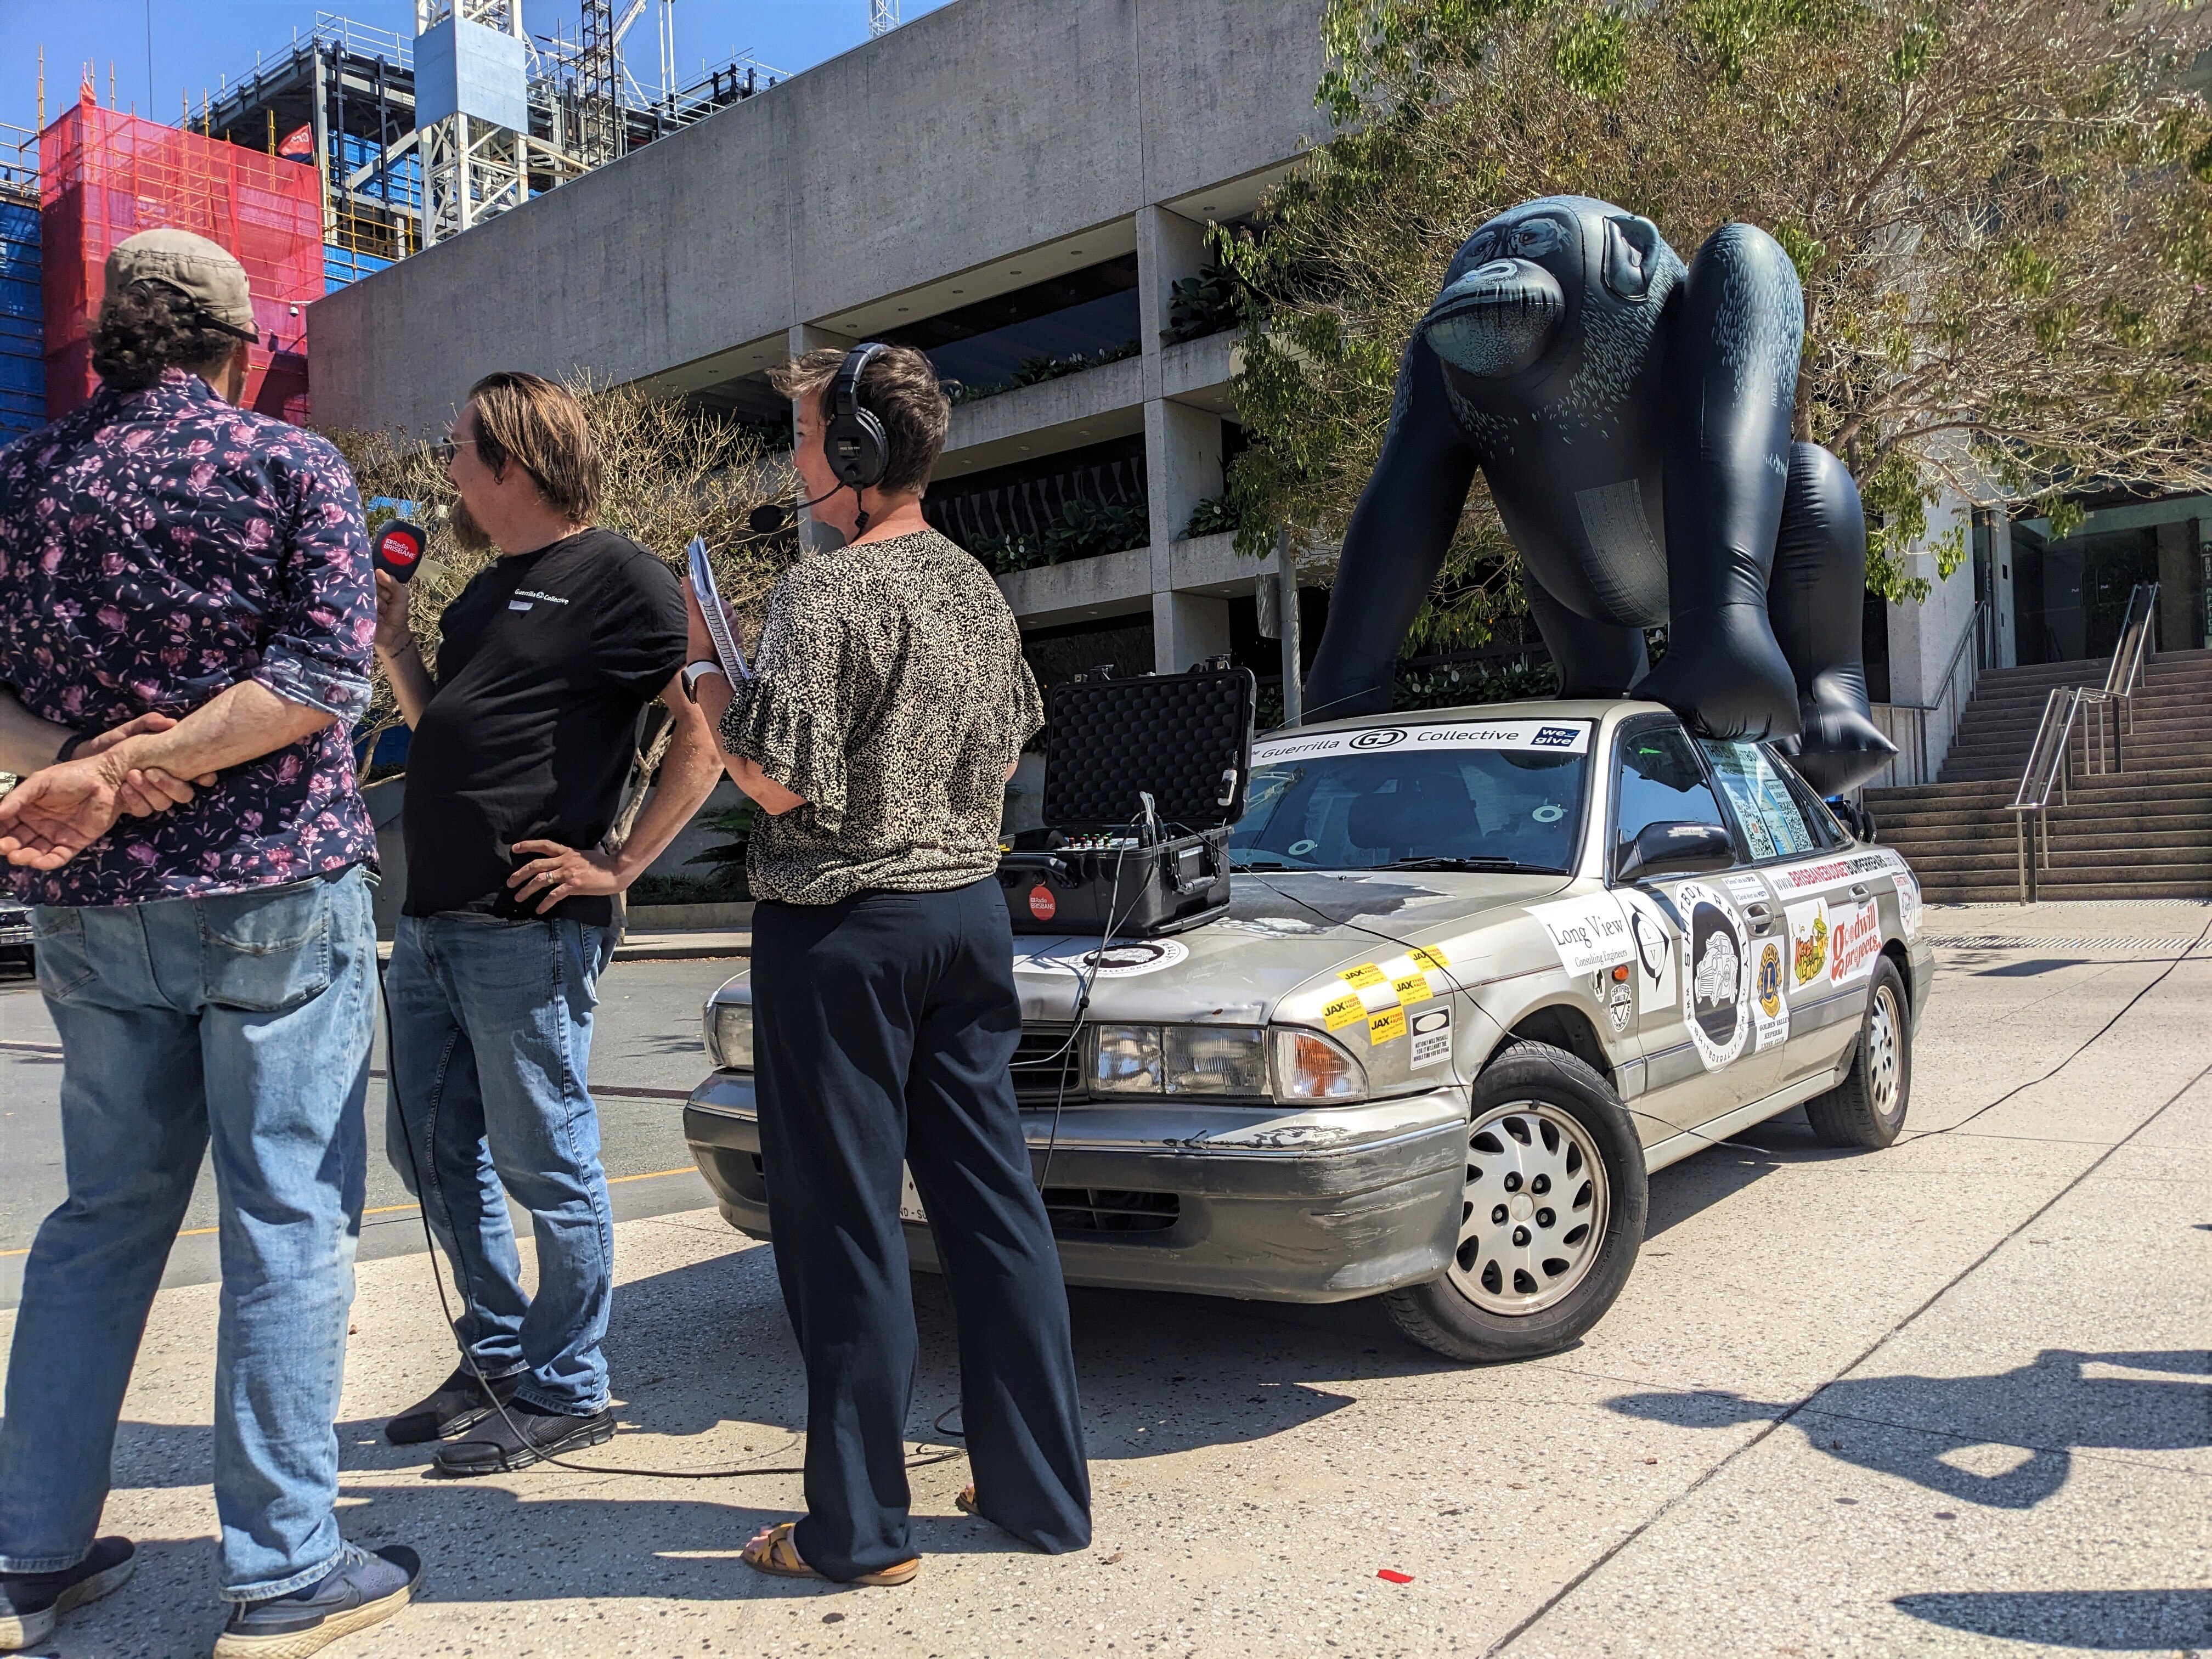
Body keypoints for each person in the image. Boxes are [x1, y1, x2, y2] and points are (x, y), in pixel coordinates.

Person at [0, 229, 420, 1657]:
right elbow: (321, 678)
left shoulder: (19, 481)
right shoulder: (290, 466)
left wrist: (83, 768)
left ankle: (29, 1554)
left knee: (99, 1221)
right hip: (275, 887)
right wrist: (161, 756)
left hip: (95, 912)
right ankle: (284, 1566)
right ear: (238, 347)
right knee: (287, 1211)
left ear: (111, 345)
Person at [687, 343, 1091, 1587]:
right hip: (967, 917)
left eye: (806, 437)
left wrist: (704, 686)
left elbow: (780, 782)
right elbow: (1018, 726)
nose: (795, 459)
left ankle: (857, 1532)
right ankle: (1039, 1490)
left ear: (855, 456)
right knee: (993, 1207)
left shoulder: (822, 595)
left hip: (843, 931)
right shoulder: (975, 585)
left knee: (846, 1228)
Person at [373, 371, 724, 1474]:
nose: (445, 469)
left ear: (509, 464)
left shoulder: (620, 576)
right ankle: (496, 1356)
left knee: (546, 1159)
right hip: (434, 921)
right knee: (429, 1152)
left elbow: (704, 733)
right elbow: (447, 728)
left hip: (528, 929)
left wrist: (618, 860)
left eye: (456, 449)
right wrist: (396, 643)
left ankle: (570, 1384)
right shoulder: (483, 590)